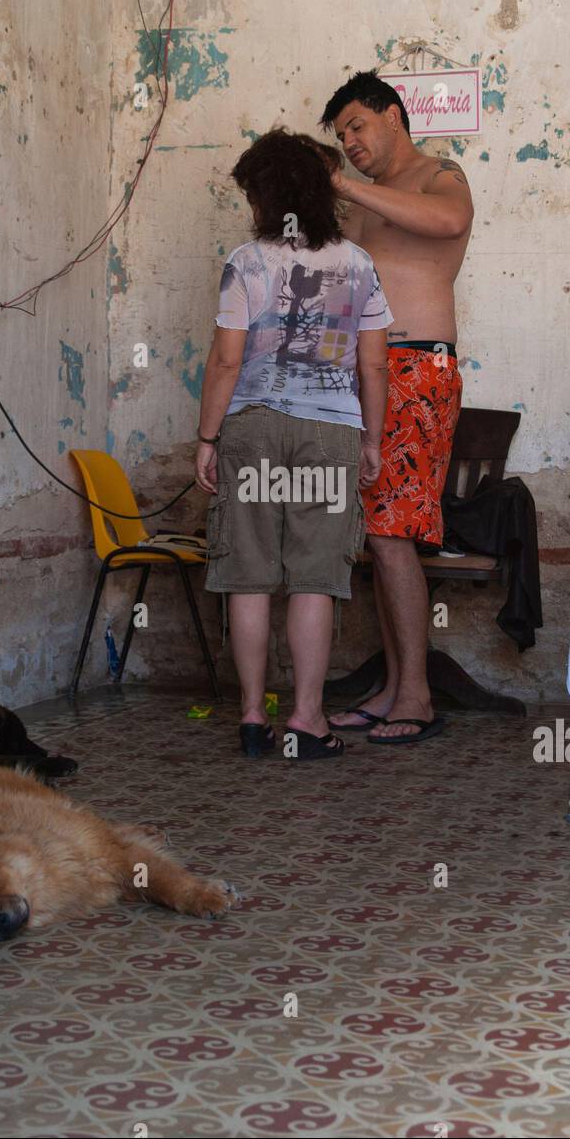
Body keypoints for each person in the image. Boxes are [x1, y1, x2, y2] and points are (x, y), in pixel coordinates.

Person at [195, 128, 391, 759]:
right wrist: (372, 440)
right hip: (331, 428)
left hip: (251, 427)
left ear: (265, 195)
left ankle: (254, 717)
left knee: (248, 574)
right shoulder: (358, 264)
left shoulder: (246, 261)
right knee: (314, 577)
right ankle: (307, 721)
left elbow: (226, 363)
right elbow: (376, 368)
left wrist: (207, 438)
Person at [320, 71, 474, 745]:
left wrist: (346, 186)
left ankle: (416, 694)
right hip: (363, 373)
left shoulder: (439, 175)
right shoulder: (362, 208)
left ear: (390, 115)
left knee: (390, 533)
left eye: (356, 126)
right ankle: (392, 688)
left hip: (419, 367)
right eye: (341, 137)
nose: (350, 143)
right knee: (377, 536)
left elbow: (451, 222)